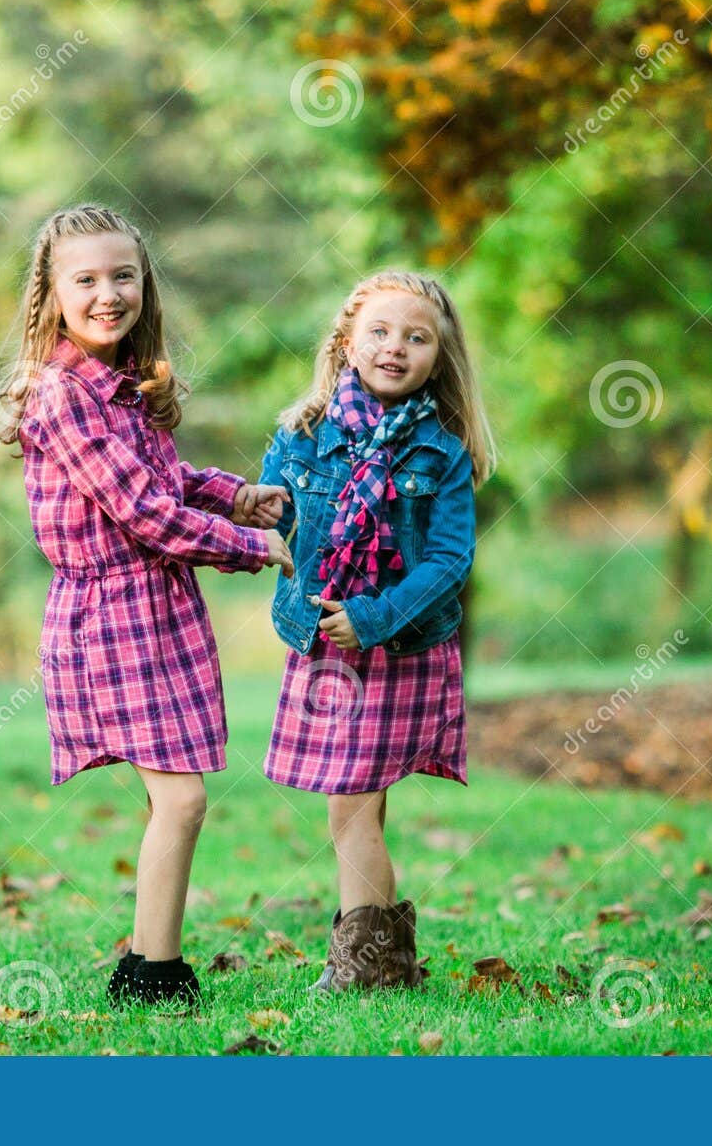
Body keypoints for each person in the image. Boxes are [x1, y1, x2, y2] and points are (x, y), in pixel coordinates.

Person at [0, 204, 292, 1008]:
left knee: (173, 798)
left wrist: (237, 496)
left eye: (124, 276)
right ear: (51, 293)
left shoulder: (118, 386)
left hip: (158, 603)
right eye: (86, 279)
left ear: (145, 284)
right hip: (113, 611)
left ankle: (149, 962)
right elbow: (143, 513)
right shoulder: (63, 395)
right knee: (182, 797)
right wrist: (252, 549)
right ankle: (152, 972)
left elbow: (167, 481)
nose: (108, 293)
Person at [257, 270, 496, 989]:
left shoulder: (441, 455)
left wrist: (373, 616)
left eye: (417, 337)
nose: (396, 347)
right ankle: (382, 957)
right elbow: (271, 514)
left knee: (350, 809)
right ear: (347, 341)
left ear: (439, 357)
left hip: (397, 650)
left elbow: (451, 560)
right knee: (360, 805)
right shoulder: (301, 434)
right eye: (381, 332)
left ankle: (366, 967)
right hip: (328, 649)